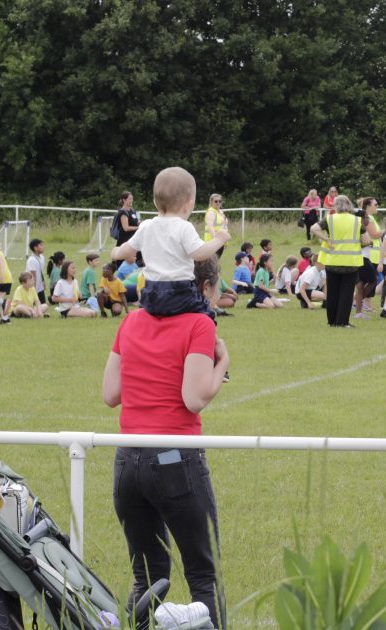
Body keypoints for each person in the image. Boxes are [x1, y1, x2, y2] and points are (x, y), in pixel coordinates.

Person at [102, 256, 229, 629]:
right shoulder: (200, 324)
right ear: (203, 288)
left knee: (147, 576)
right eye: (216, 288)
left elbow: (111, 393)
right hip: (176, 458)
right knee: (204, 576)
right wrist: (222, 363)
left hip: (127, 460)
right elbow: (194, 398)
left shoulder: (131, 320)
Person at [114, 167, 230, 318]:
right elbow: (200, 253)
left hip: (151, 293)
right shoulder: (184, 227)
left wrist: (116, 252)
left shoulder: (146, 226)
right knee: (205, 315)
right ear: (189, 204)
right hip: (180, 292)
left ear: (155, 202)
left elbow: (127, 250)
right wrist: (219, 240)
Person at [311, 195, 365, 327]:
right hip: (351, 262)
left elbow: (314, 228)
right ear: (349, 205)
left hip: (332, 261)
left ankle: (332, 320)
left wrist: (326, 239)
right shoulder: (357, 221)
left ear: (335, 206)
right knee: (346, 293)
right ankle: (342, 321)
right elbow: (366, 240)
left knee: (333, 292)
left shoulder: (329, 219)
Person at [352, 197, 384, 320]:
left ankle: (358, 311)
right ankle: (358, 303)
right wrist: (369, 243)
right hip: (363, 259)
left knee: (360, 285)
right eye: (365, 218)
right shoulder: (360, 229)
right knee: (373, 280)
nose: (368, 220)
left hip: (360, 258)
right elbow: (360, 243)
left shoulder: (359, 228)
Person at [25, 238, 46, 304]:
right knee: (33, 305)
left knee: (43, 305)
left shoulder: (42, 257)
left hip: (40, 287)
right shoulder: (32, 260)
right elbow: (33, 276)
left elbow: (40, 271)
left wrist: (43, 281)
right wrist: (33, 291)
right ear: (35, 248)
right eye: (41, 245)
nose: (43, 247)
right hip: (32, 286)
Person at [0, 244, 12, 324]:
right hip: (4, 280)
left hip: (2, 280)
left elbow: (1, 263)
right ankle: (5, 319)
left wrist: (2, 276)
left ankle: (5, 302)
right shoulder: (0, 252)